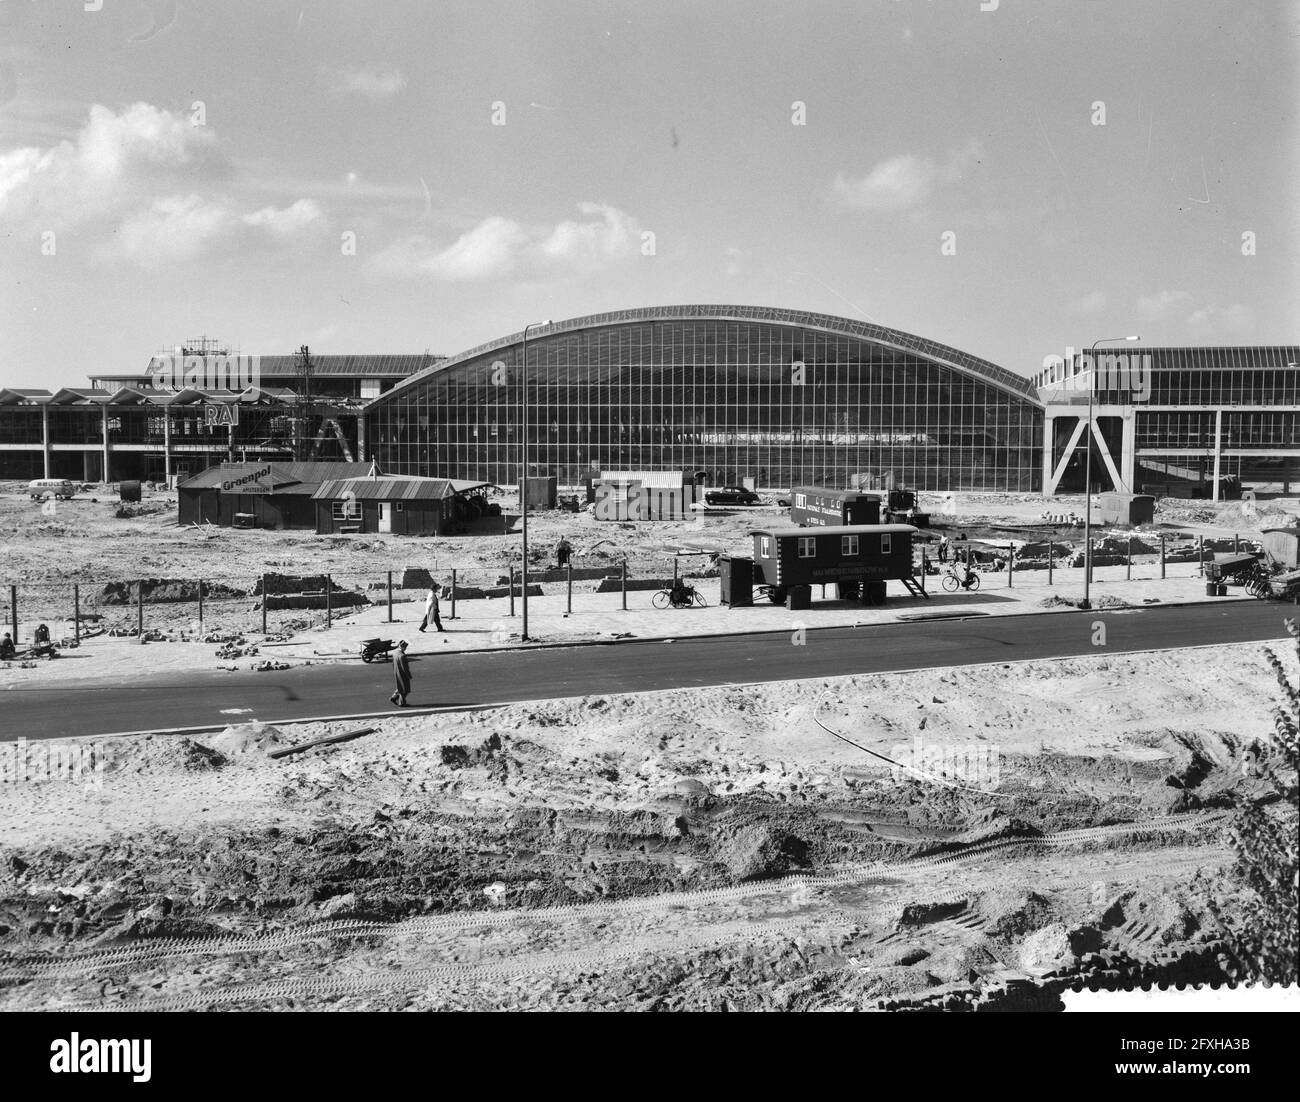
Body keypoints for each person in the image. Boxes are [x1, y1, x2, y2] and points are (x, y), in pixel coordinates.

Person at [389, 640, 412, 707]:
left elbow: (393, 663)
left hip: (396, 672)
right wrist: (408, 675)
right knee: (405, 689)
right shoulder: (402, 656)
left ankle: (394, 697)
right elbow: (405, 668)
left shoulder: (395, 653)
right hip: (402, 674)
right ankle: (402, 703)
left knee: (400, 686)